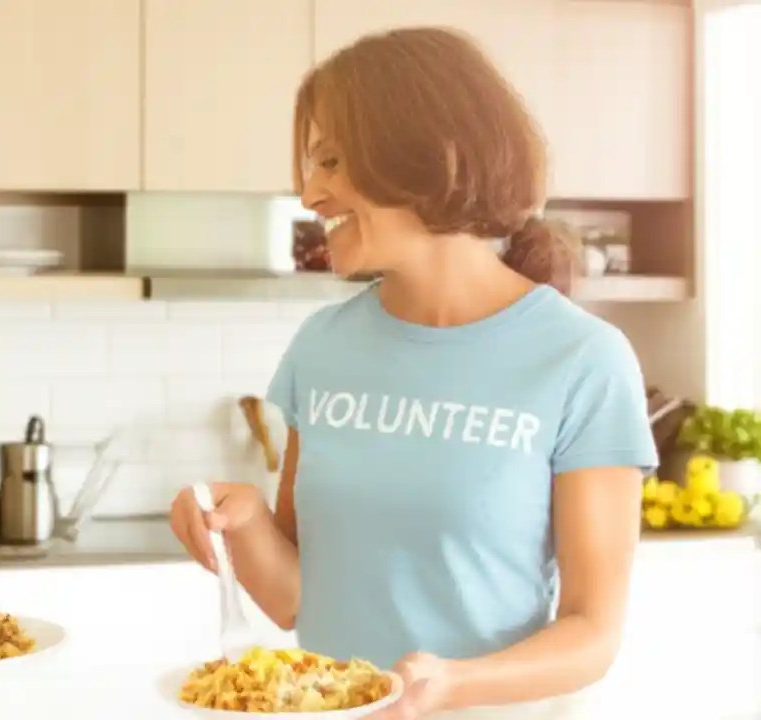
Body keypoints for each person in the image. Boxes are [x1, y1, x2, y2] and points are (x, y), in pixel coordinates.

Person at [170, 27, 657, 720]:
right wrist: (243, 524)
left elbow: (592, 633)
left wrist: (453, 683)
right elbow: (297, 599)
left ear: (435, 160)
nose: (309, 192)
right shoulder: (323, 347)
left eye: (332, 161)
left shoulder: (582, 360)